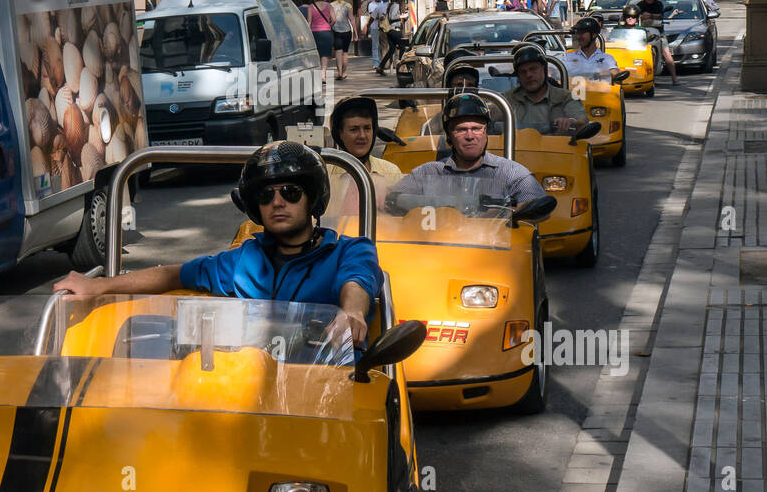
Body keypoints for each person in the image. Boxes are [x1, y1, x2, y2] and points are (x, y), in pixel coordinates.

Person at [55, 142, 383, 350]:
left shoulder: (348, 250)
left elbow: (357, 281)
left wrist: (352, 311)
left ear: (313, 198)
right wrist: (97, 286)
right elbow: (173, 275)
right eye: (266, 196)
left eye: (291, 192)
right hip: (246, 393)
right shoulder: (243, 262)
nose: (278, 202)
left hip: (327, 393)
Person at [385, 92, 545, 215]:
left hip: (494, 255)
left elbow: (539, 205)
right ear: (449, 135)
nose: (470, 136)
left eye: (476, 128)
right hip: (436, 254)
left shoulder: (511, 173)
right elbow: (387, 202)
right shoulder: (426, 173)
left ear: (486, 132)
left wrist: (509, 212)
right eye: (461, 129)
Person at [326, 97, 403, 214]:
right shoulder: (325, 174)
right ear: (339, 134)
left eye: (367, 128)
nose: (362, 136)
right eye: (354, 129)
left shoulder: (391, 171)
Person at [506, 43, 589, 135]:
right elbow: (491, 113)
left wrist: (571, 122)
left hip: (556, 148)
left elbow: (582, 122)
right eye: (523, 72)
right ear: (518, 76)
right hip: (515, 148)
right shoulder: (507, 100)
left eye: (533, 69)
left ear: (544, 69)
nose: (528, 75)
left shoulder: (565, 97)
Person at [638, 0, 677, 84]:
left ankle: (674, 78)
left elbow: (660, 15)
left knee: (667, 53)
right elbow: (635, 16)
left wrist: (650, 15)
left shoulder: (659, 4)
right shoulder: (639, 5)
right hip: (643, 33)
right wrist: (641, 16)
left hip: (658, 32)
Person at [301, 0, 335, 83]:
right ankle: (323, 75)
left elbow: (309, 21)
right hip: (326, 33)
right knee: (324, 55)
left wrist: (306, 33)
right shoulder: (329, 6)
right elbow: (334, 19)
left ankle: (315, 75)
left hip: (314, 33)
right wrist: (329, 25)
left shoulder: (311, 7)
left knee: (316, 54)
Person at [375, 0, 406, 75]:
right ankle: (401, 68)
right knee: (402, 47)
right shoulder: (396, 5)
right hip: (395, 29)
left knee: (391, 49)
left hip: (390, 30)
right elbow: (392, 17)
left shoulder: (391, 5)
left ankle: (381, 66)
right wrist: (402, 16)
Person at [329, 0, 356, 81]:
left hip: (336, 31)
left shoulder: (331, 5)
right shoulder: (348, 5)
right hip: (347, 31)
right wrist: (355, 32)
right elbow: (351, 19)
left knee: (338, 52)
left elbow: (331, 19)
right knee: (345, 53)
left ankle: (339, 72)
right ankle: (344, 73)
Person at [367, 0, 388, 69]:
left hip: (383, 27)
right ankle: (376, 62)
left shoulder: (384, 3)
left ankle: (384, 61)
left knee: (384, 45)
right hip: (375, 27)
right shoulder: (371, 5)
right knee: (375, 45)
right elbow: (373, 16)